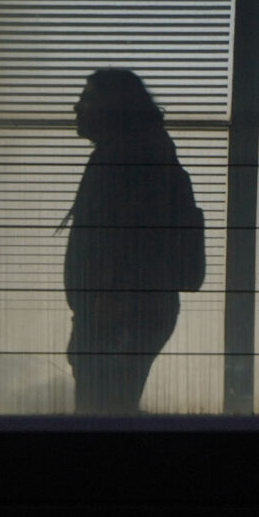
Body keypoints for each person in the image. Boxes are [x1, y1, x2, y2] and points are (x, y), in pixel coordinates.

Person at [62, 69, 206, 414]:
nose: (76, 106)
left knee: (104, 407)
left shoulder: (130, 158)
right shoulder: (139, 153)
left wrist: (111, 299)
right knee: (113, 401)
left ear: (115, 107)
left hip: (119, 309)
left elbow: (131, 238)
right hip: (118, 307)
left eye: (88, 98)